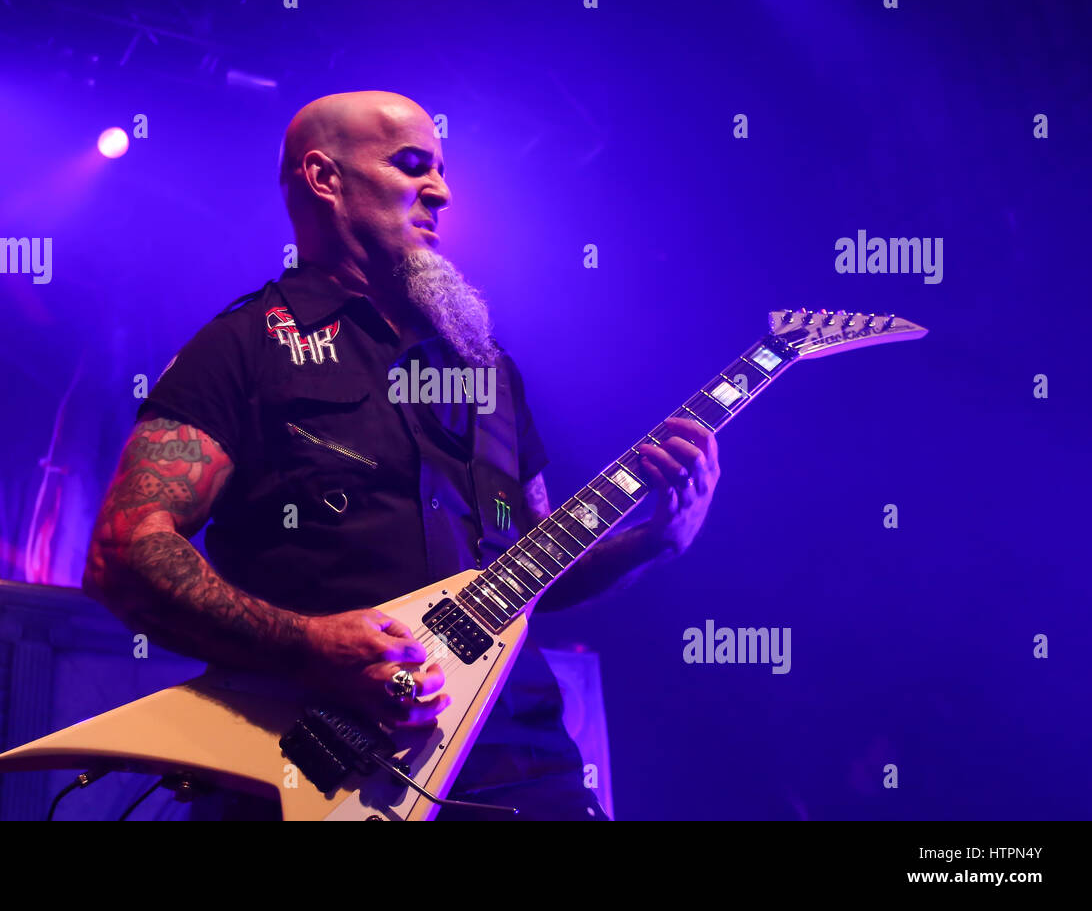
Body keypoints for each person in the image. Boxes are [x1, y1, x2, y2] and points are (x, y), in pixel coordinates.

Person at [82, 90, 722, 820]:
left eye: (442, 170)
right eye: (412, 165)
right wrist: (309, 644)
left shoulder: (487, 368)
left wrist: (656, 543)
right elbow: (124, 551)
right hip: (325, 772)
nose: (442, 192)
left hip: (524, 762)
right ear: (324, 179)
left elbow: (534, 570)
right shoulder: (242, 348)